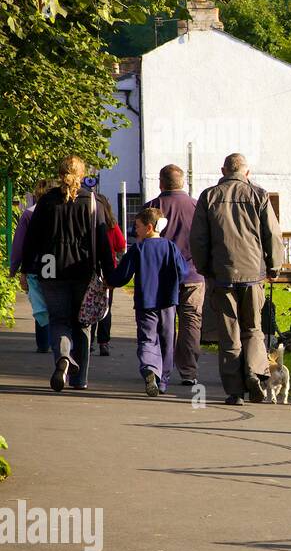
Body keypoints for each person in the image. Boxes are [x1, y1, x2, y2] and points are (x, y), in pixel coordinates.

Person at [190, 153, 284, 405]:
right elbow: (272, 235)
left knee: (229, 332)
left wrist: (204, 268)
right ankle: (255, 374)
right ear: (247, 172)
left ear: (223, 170)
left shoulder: (208, 196)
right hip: (253, 274)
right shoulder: (259, 195)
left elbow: (198, 239)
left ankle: (234, 391)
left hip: (222, 275)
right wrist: (274, 267)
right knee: (253, 329)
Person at [20, 156, 113, 392]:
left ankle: (63, 357)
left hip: (50, 268)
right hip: (83, 268)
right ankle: (79, 378)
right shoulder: (92, 202)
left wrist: (26, 270)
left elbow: (32, 240)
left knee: (58, 319)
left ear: (59, 173)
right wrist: (109, 275)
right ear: (82, 175)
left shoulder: (46, 202)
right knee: (82, 322)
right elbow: (102, 242)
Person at [106, 207, 189, 396]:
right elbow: (183, 272)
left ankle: (150, 369)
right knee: (167, 340)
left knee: (147, 338)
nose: (135, 230)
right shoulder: (171, 247)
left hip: (145, 301)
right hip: (168, 301)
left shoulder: (139, 249)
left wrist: (110, 282)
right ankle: (163, 380)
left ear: (149, 227)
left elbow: (123, 274)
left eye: (138, 226)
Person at [145, 165, 204, 386]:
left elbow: (141, 241)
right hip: (193, 274)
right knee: (191, 322)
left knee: (163, 323)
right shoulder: (197, 207)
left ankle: (160, 367)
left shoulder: (152, 207)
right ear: (183, 183)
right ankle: (189, 371)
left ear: (161, 183)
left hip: (160, 277)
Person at [8, 179, 52, 352]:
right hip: (54, 263)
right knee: (54, 302)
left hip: (34, 265)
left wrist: (15, 268)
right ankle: (58, 341)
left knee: (40, 305)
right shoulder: (58, 212)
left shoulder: (28, 214)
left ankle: (42, 343)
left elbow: (19, 244)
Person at [91, 187, 127, 357]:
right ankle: (104, 342)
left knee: (88, 304)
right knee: (105, 308)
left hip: (90, 269)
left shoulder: (89, 223)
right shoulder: (112, 225)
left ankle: (88, 341)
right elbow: (121, 245)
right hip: (108, 271)